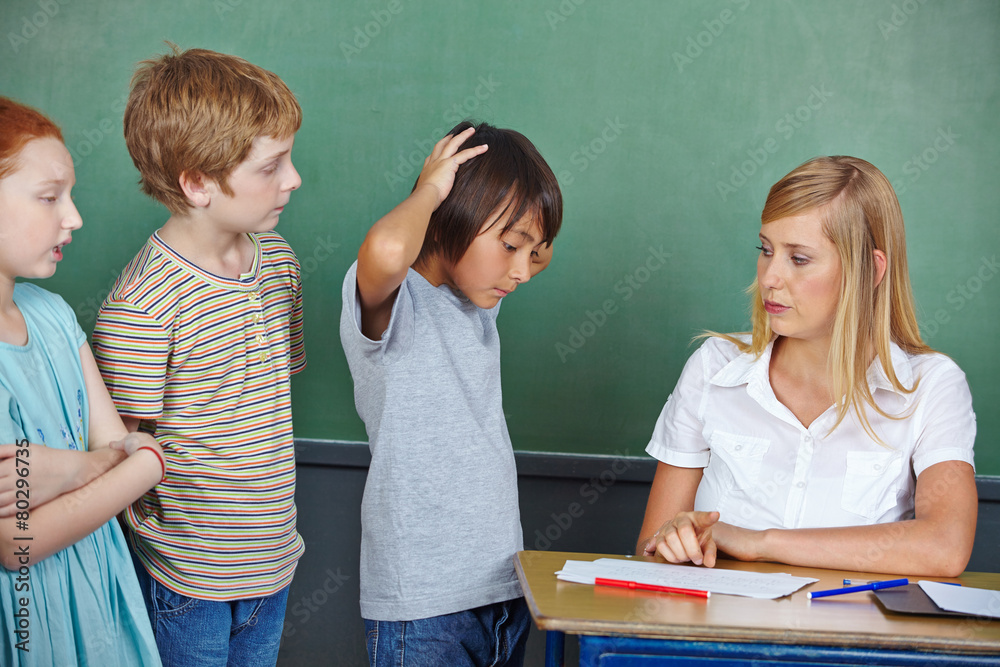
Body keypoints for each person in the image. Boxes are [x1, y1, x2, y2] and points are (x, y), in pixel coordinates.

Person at [637, 156, 977, 578]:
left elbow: (944, 547)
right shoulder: (714, 368)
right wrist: (673, 542)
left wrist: (758, 542)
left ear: (869, 270)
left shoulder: (931, 387)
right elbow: (650, 551)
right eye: (765, 250)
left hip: (850, 642)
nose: (769, 277)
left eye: (799, 259)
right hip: (713, 636)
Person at [91, 47, 305, 667]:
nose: (292, 179)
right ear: (197, 182)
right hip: (187, 579)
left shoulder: (282, 262)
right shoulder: (142, 303)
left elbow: (269, 407)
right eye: (271, 166)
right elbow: (121, 452)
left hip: (273, 561)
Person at [340, 121, 562, 666]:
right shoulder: (392, 301)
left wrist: (526, 228)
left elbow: (538, 248)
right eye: (510, 246)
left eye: (530, 252)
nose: (523, 271)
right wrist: (431, 192)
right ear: (451, 216)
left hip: (503, 592)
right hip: (423, 605)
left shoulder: (478, 296)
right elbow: (391, 248)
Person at [0, 96, 163, 666]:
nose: (74, 218)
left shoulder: (53, 315)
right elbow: (19, 542)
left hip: (97, 589)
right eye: (49, 198)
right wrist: (106, 465)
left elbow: (129, 451)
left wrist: (72, 470)